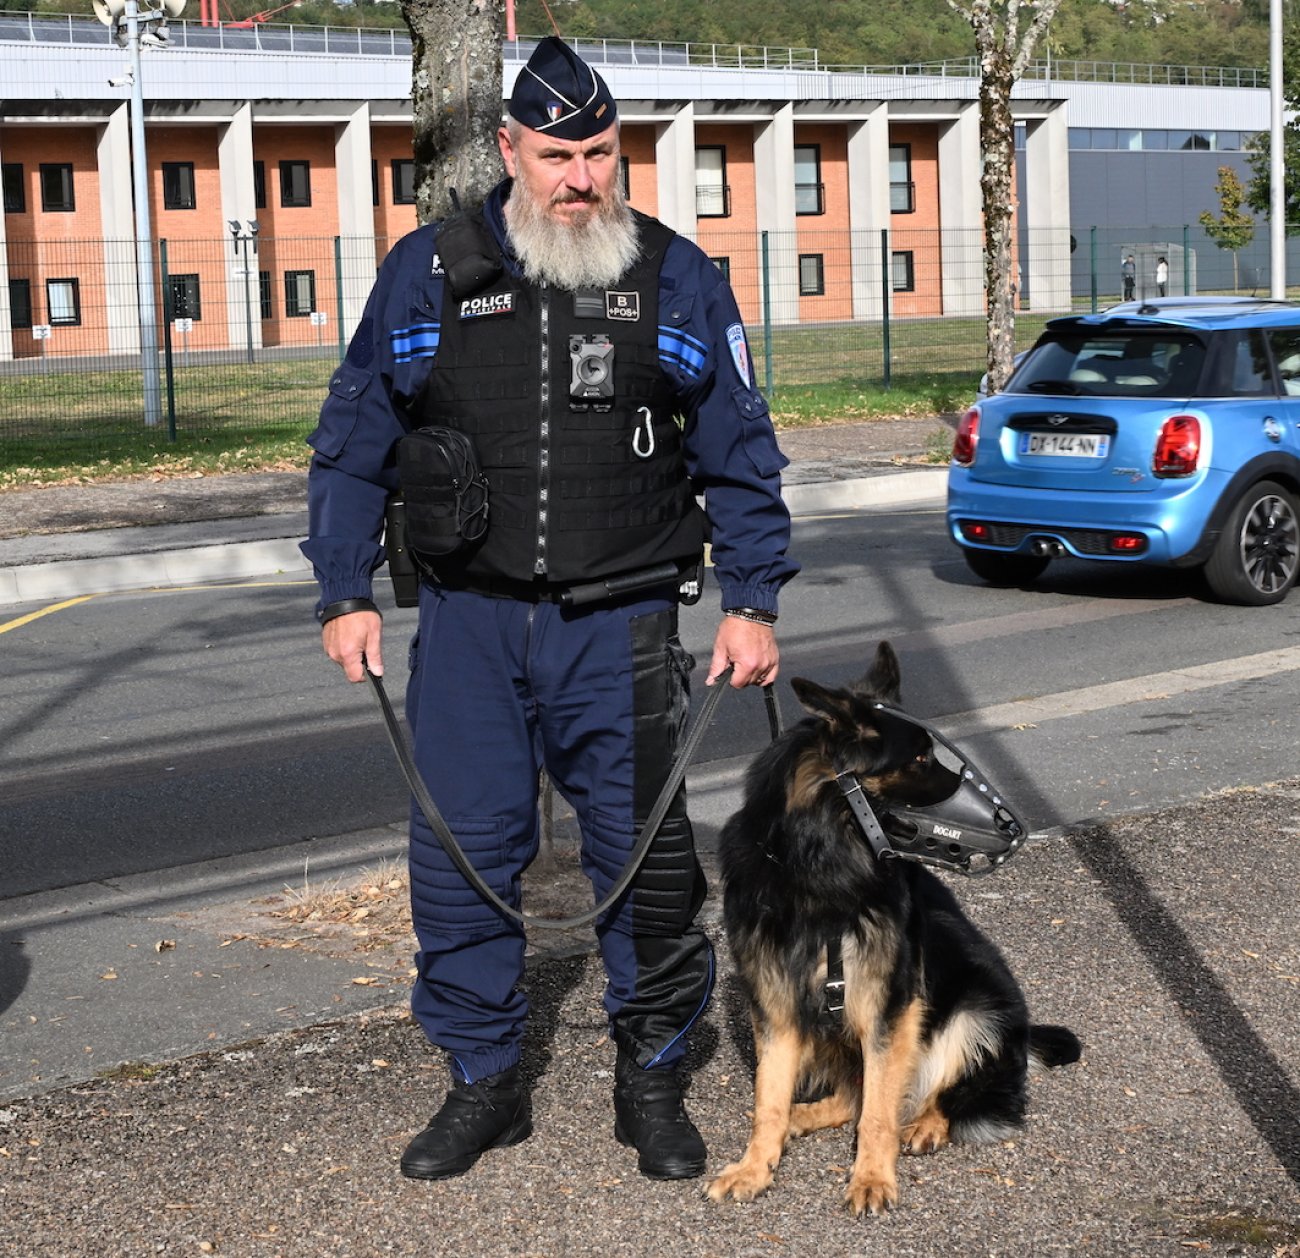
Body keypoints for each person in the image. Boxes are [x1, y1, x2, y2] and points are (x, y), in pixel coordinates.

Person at [301, 37, 797, 1185]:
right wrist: (341, 591)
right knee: (464, 859)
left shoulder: (676, 275)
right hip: (469, 630)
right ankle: (484, 1083)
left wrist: (753, 599)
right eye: (558, 155)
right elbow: (351, 442)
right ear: (510, 149)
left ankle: (655, 1079)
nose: (581, 179)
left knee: (647, 866)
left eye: (601, 154)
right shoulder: (425, 273)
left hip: (617, 629)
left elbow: (740, 449)